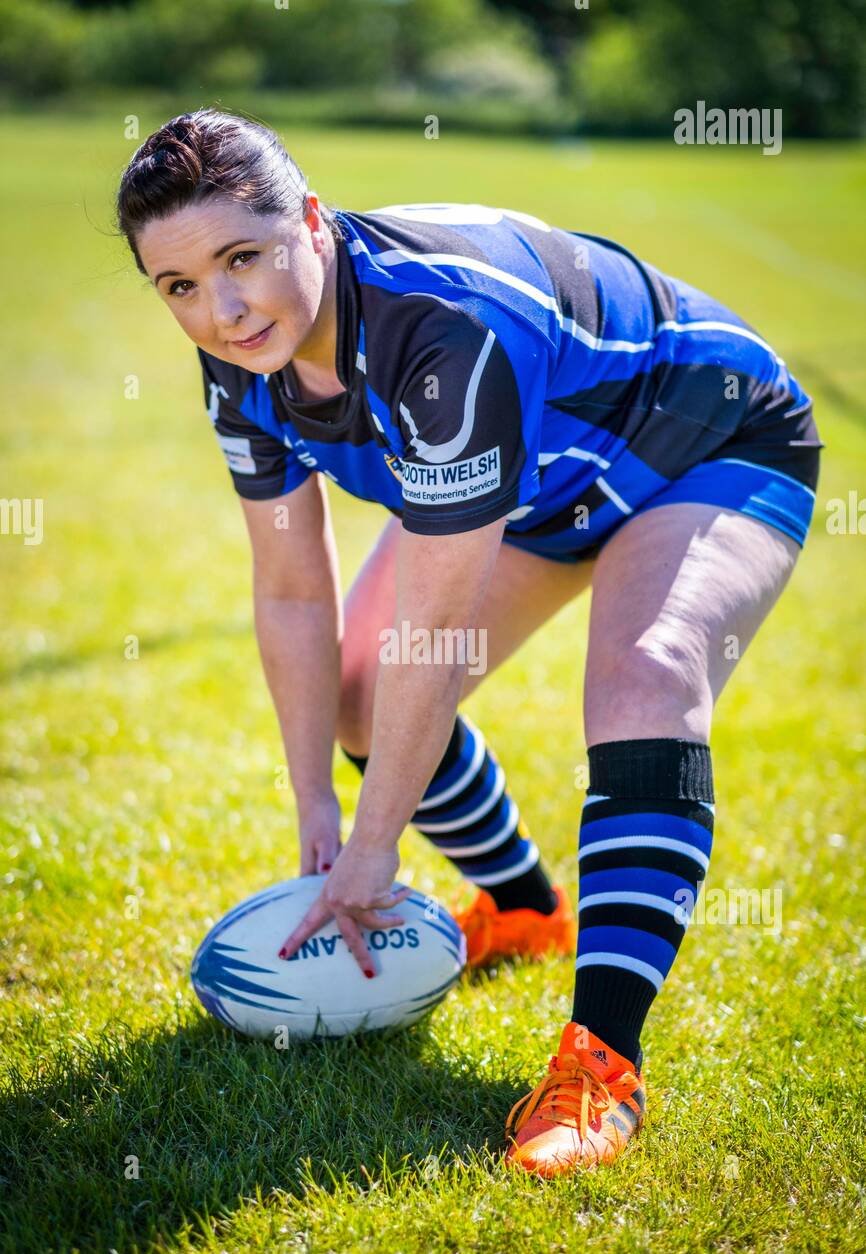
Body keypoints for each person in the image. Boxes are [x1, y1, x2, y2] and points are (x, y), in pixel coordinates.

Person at [116, 108, 822, 1179]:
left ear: (309, 219)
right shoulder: (238, 364)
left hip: (703, 442)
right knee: (356, 687)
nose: (221, 308)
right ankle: (528, 907)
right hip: (539, 484)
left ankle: (601, 1063)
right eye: (178, 286)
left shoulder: (441, 328)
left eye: (242, 258)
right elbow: (292, 591)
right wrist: (317, 800)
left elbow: (433, 635)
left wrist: (372, 844)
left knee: (645, 676)